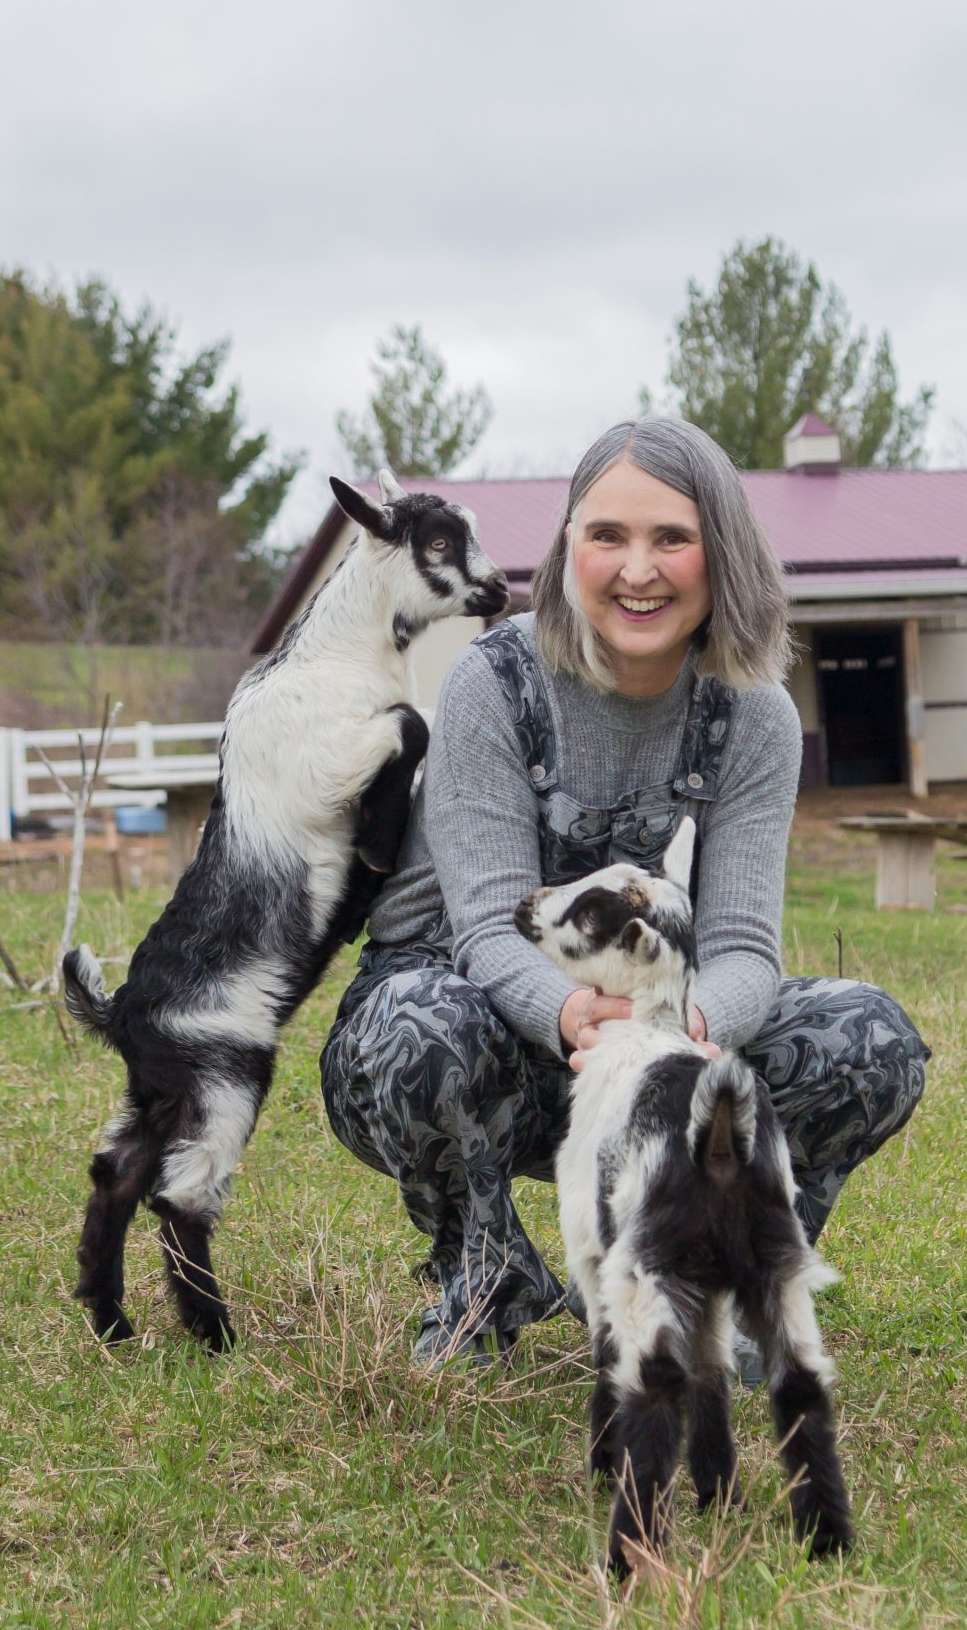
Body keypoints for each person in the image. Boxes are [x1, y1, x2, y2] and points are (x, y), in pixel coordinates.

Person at [320, 417, 929, 1366]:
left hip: (650, 1040)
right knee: (418, 1028)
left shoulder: (755, 713)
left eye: (671, 538)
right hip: (466, 1031)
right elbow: (484, 930)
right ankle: (483, 1278)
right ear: (571, 549)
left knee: (869, 1039)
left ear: (719, 552)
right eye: (607, 535)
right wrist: (581, 1019)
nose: (636, 569)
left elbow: (742, 949)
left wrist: (677, 1035)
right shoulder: (496, 681)